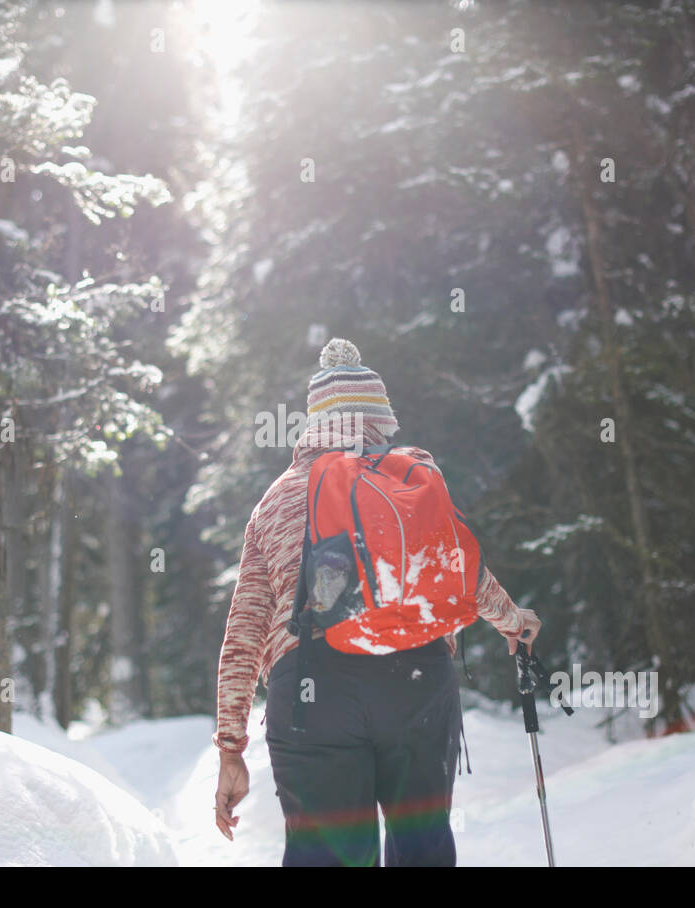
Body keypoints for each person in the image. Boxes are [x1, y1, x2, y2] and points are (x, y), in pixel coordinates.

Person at [212, 338, 542, 866]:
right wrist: (512, 621)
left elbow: (245, 632)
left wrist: (232, 745)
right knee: (421, 847)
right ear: (379, 419)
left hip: (311, 689)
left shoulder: (276, 499)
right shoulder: (407, 481)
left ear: (313, 424)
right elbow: (464, 571)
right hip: (416, 680)